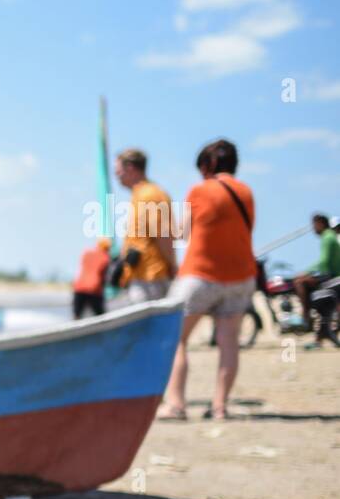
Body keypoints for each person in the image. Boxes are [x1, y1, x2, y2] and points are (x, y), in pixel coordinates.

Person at [158, 139, 257, 421]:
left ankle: (176, 404)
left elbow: (183, 233)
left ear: (209, 165)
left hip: (200, 276)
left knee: (175, 339)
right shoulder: (246, 192)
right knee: (229, 343)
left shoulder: (200, 190)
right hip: (240, 276)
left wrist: (161, 226)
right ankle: (219, 407)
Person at [115, 148, 176, 302]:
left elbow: (163, 235)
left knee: (145, 325)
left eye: (118, 171)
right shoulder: (140, 193)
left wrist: (174, 266)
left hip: (150, 278)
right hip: (142, 277)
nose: (117, 176)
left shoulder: (149, 194)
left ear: (130, 168)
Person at [293, 213, 340, 347]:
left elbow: (324, 263)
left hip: (331, 275)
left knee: (299, 282)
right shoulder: (331, 237)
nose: (313, 228)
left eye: (314, 225)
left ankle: (305, 316)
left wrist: (306, 273)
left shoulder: (328, 237)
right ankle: (318, 335)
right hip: (331, 273)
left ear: (320, 223)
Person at [71, 238, 111, 319]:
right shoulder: (105, 258)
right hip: (94, 289)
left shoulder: (87, 253)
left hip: (79, 287)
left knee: (77, 316)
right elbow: (103, 276)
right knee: (101, 316)